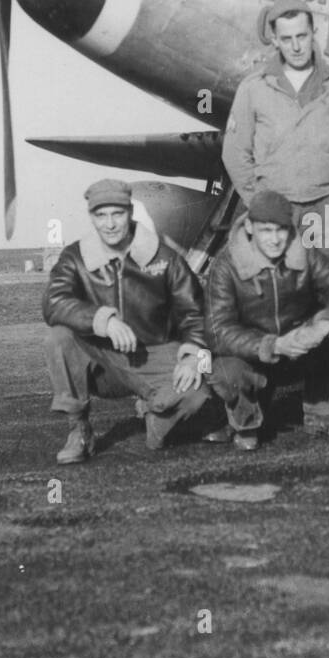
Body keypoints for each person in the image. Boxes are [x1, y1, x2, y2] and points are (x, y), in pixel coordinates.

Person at [221, 0, 329, 440]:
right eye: (286, 38)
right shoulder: (254, 88)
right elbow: (235, 153)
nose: (295, 46)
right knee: (261, 308)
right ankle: (250, 414)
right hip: (278, 213)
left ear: (314, 35)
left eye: (302, 36)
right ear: (275, 39)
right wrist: (262, 206)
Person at [43, 179, 215, 463]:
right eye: (101, 215)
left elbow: (194, 310)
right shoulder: (75, 257)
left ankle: (156, 418)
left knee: (197, 396)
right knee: (58, 336)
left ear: (130, 213)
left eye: (117, 214)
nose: (109, 224)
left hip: (151, 355)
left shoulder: (165, 257)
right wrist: (102, 321)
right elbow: (53, 302)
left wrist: (195, 353)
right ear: (92, 217)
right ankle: (79, 429)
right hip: (100, 362)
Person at [204, 190, 329, 451]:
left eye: (281, 229)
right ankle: (245, 421)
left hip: (301, 351)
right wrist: (273, 345)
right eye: (266, 230)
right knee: (220, 369)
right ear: (248, 226)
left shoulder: (305, 253)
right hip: (256, 356)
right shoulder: (225, 265)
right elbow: (216, 331)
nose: (276, 239)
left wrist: (325, 323)